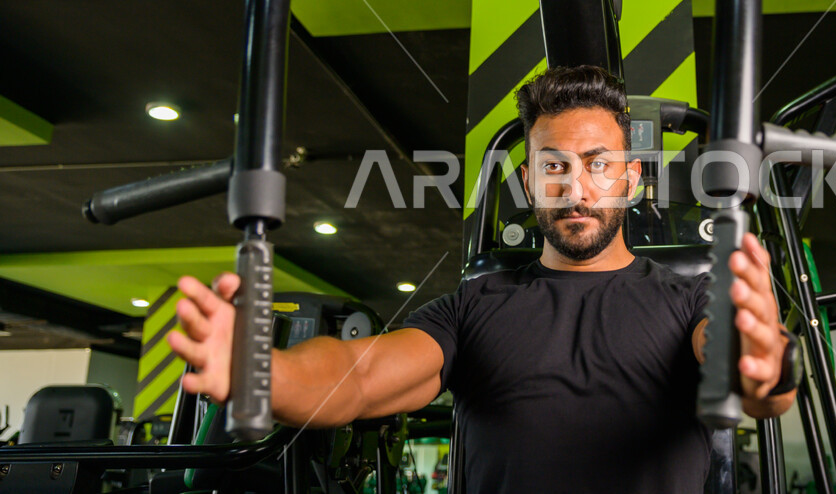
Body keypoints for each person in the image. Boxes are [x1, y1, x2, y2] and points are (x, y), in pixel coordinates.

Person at [168, 65, 796, 493]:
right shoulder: (474, 306)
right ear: (528, 185)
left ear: (632, 180)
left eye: (597, 164)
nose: (574, 187)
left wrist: (764, 362)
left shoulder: (689, 299)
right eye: (552, 166)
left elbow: (748, 377)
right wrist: (265, 373)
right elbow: (358, 379)